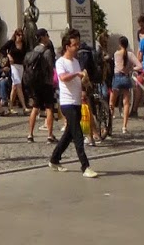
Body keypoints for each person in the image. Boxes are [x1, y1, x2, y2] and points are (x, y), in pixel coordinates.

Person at [48, 32, 96, 177]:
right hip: (67, 103)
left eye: (77, 44)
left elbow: (78, 81)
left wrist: (83, 88)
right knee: (78, 134)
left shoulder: (75, 62)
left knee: (69, 134)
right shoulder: (61, 62)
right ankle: (85, 166)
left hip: (77, 101)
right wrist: (77, 74)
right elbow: (63, 78)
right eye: (74, 45)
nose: (77, 47)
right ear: (67, 46)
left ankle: (54, 159)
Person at [24, 28, 57, 142]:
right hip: (46, 83)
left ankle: (30, 134)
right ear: (43, 37)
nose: (48, 37)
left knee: (35, 107)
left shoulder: (33, 51)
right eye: (47, 35)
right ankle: (49, 134)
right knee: (49, 108)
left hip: (35, 83)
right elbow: (51, 67)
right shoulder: (46, 51)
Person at [5, 28, 28, 113]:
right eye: (18, 35)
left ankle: (10, 107)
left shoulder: (24, 44)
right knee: (18, 85)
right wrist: (9, 56)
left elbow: (25, 54)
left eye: (21, 35)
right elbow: (2, 49)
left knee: (14, 87)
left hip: (20, 65)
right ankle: (24, 106)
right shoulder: (11, 43)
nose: (20, 37)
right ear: (15, 35)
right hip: (13, 65)